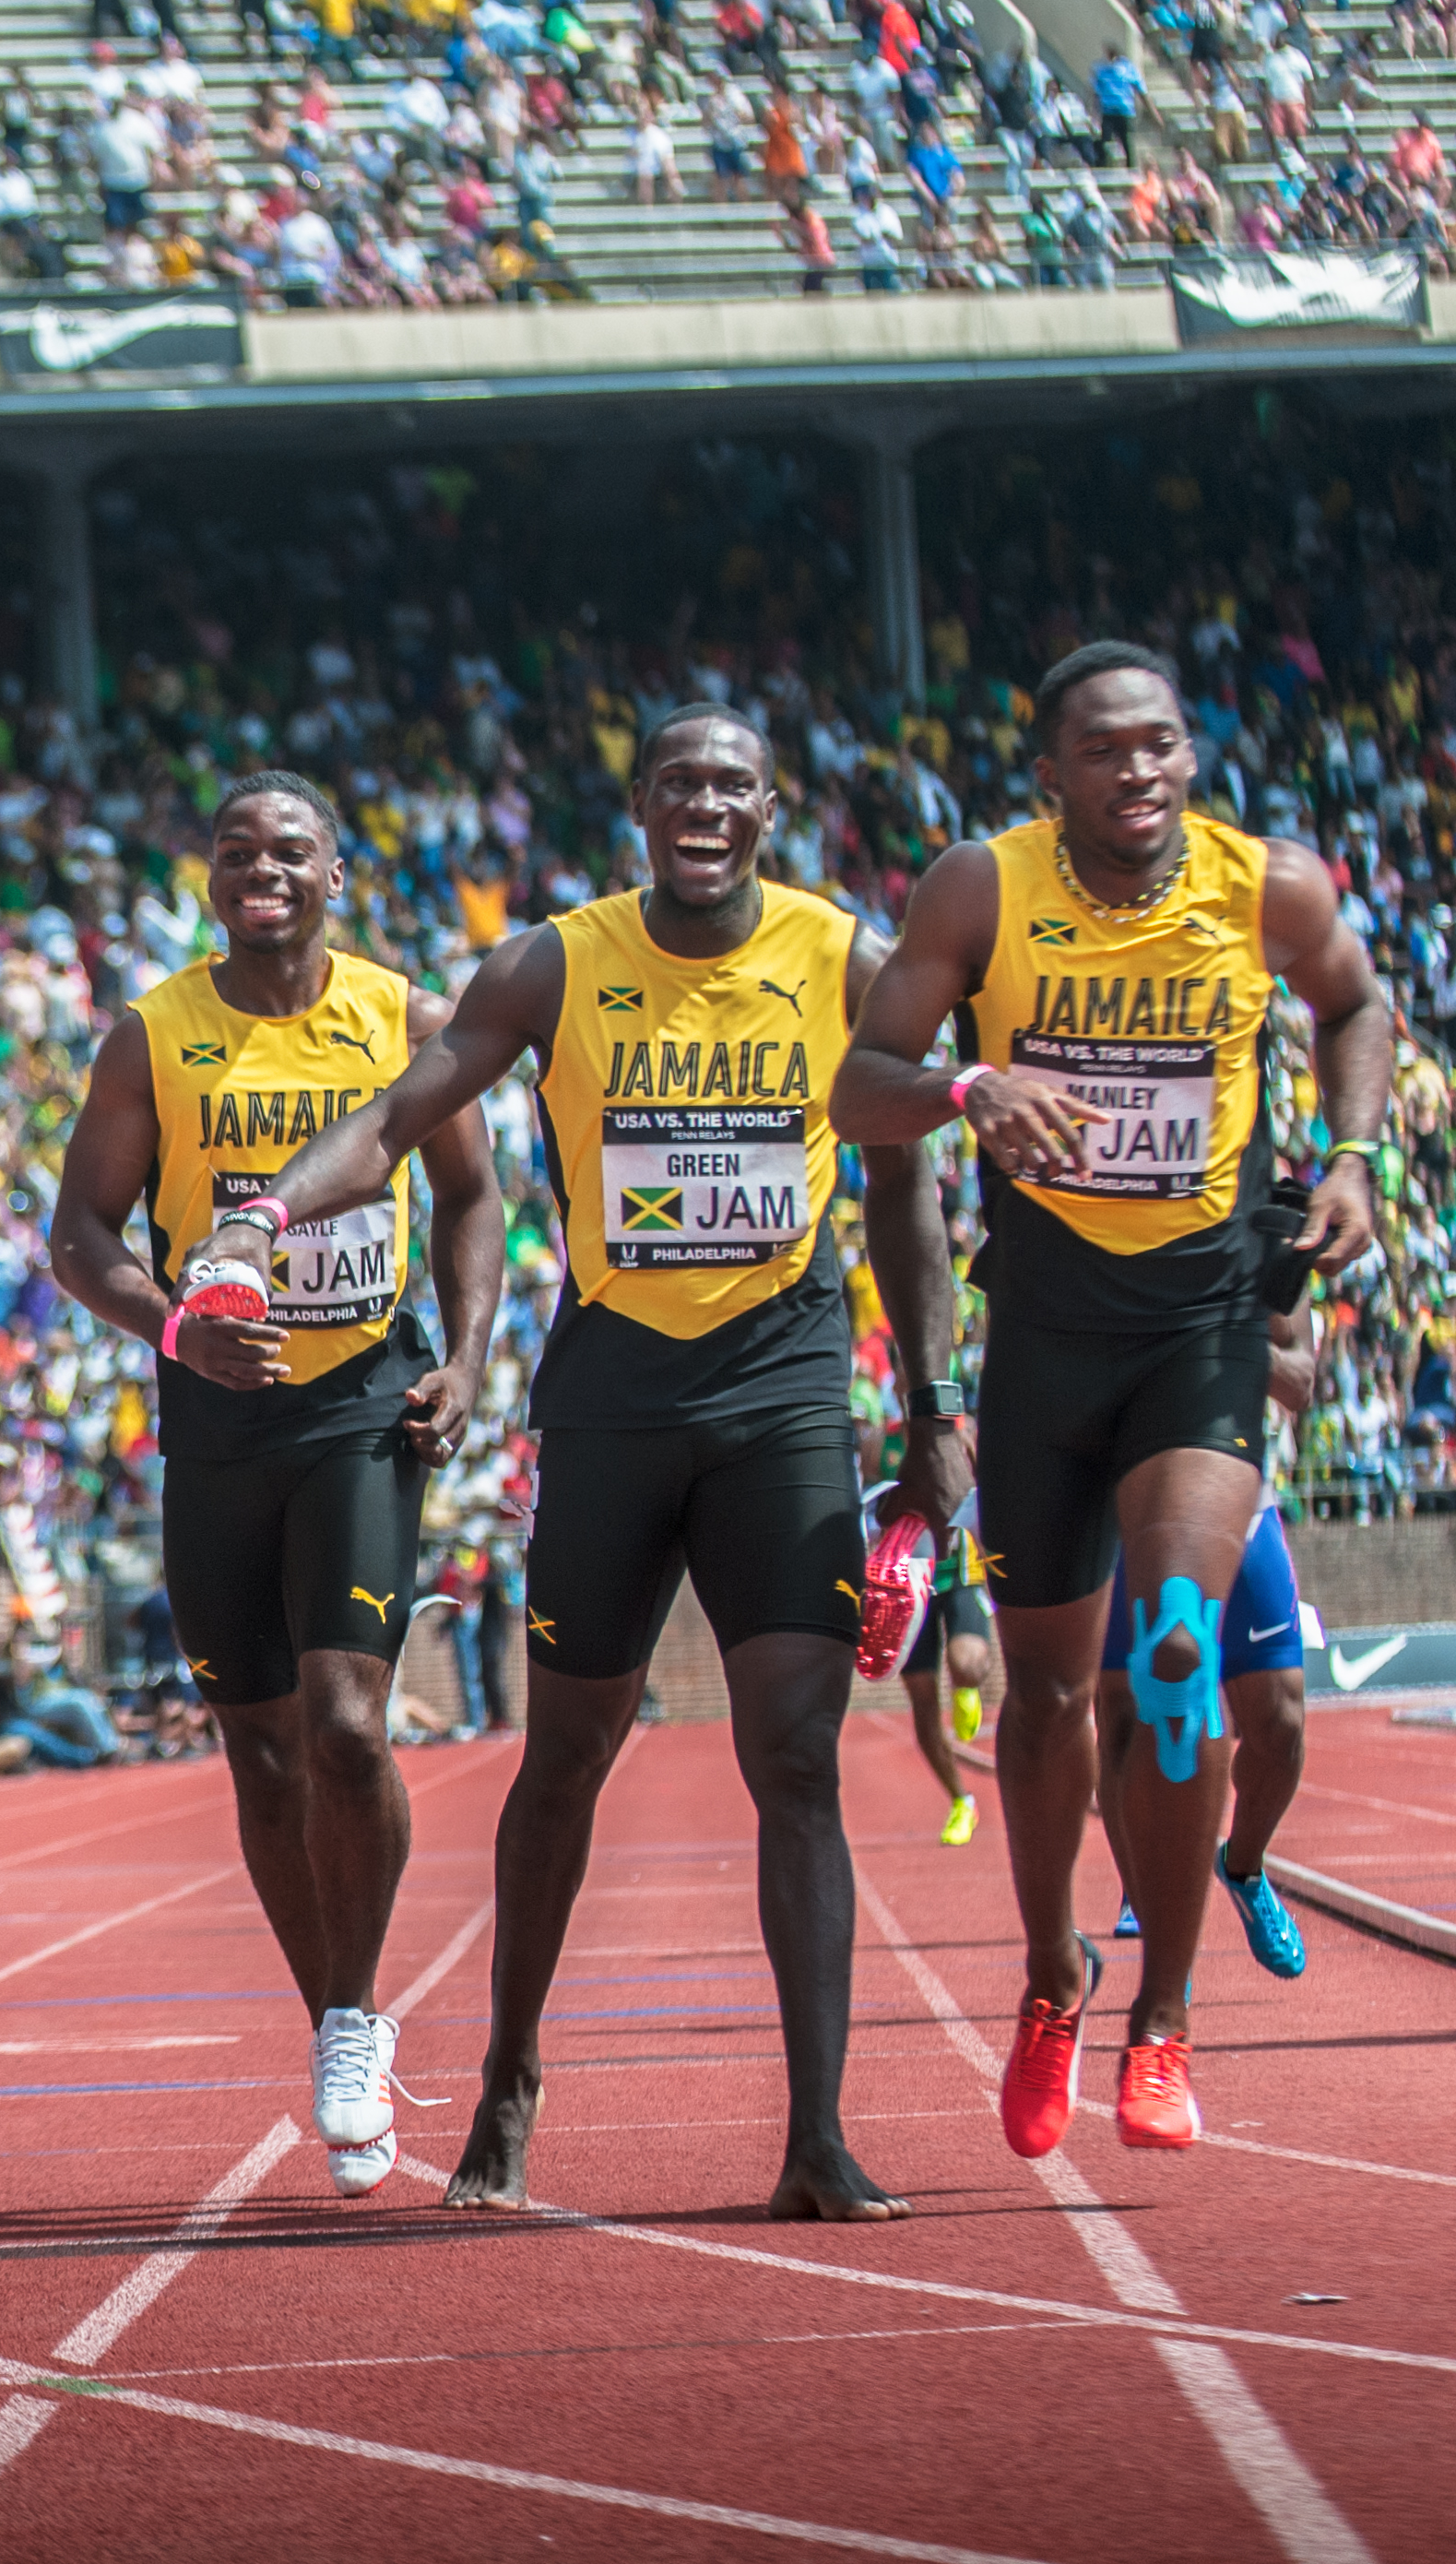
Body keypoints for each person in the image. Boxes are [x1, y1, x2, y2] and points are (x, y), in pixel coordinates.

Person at [195, 706, 968, 2222]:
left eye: (732, 784)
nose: (704, 805)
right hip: (615, 1400)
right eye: (678, 782)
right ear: (638, 805)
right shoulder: (554, 964)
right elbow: (401, 1114)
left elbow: (906, 1191)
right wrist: (261, 1216)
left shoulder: (842, 959)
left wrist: (936, 1400)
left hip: (784, 1394)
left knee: (796, 1758)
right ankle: (510, 2071)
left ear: (769, 808)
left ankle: (817, 2133)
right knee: (563, 1763)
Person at [834, 639, 1387, 2154]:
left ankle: (1166, 2020)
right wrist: (968, 1088)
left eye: (1158, 744)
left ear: (1187, 757)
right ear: (1049, 775)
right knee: (1046, 1702)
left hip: (1199, 1329)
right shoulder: (980, 890)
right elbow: (859, 1087)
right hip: (1046, 1340)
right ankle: (1052, 1974)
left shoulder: (1266, 888)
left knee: (1180, 1648)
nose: (1136, 769)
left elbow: (1356, 1008)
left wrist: (1353, 1157)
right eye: (1103, 749)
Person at [50, 771, 503, 2199]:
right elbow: (80, 1235)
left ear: (336, 877)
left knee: (348, 1728)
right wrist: (172, 1325)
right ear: (209, 880)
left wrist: (470, 1358)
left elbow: (473, 1195)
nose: (264, 869)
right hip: (217, 1412)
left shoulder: (402, 1017)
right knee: (258, 1752)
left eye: (291, 850)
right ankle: (335, 2014)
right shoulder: (154, 1034)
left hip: (363, 1396)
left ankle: (355, 2024)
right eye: (237, 850)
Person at [1091, 1301, 1317, 1965]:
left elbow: (1299, 1381)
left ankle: (1243, 1867)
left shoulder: (1265, 1247)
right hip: (1120, 1502)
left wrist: (1217, 1339)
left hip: (1232, 1489)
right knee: (1129, 1719)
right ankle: (1158, 1928)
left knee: (1281, 1724)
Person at [897, 1527, 994, 1845]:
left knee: (966, 1664)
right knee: (922, 1698)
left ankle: (966, 1686)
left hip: (960, 1576)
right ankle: (962, 1801)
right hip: (909, 1581)